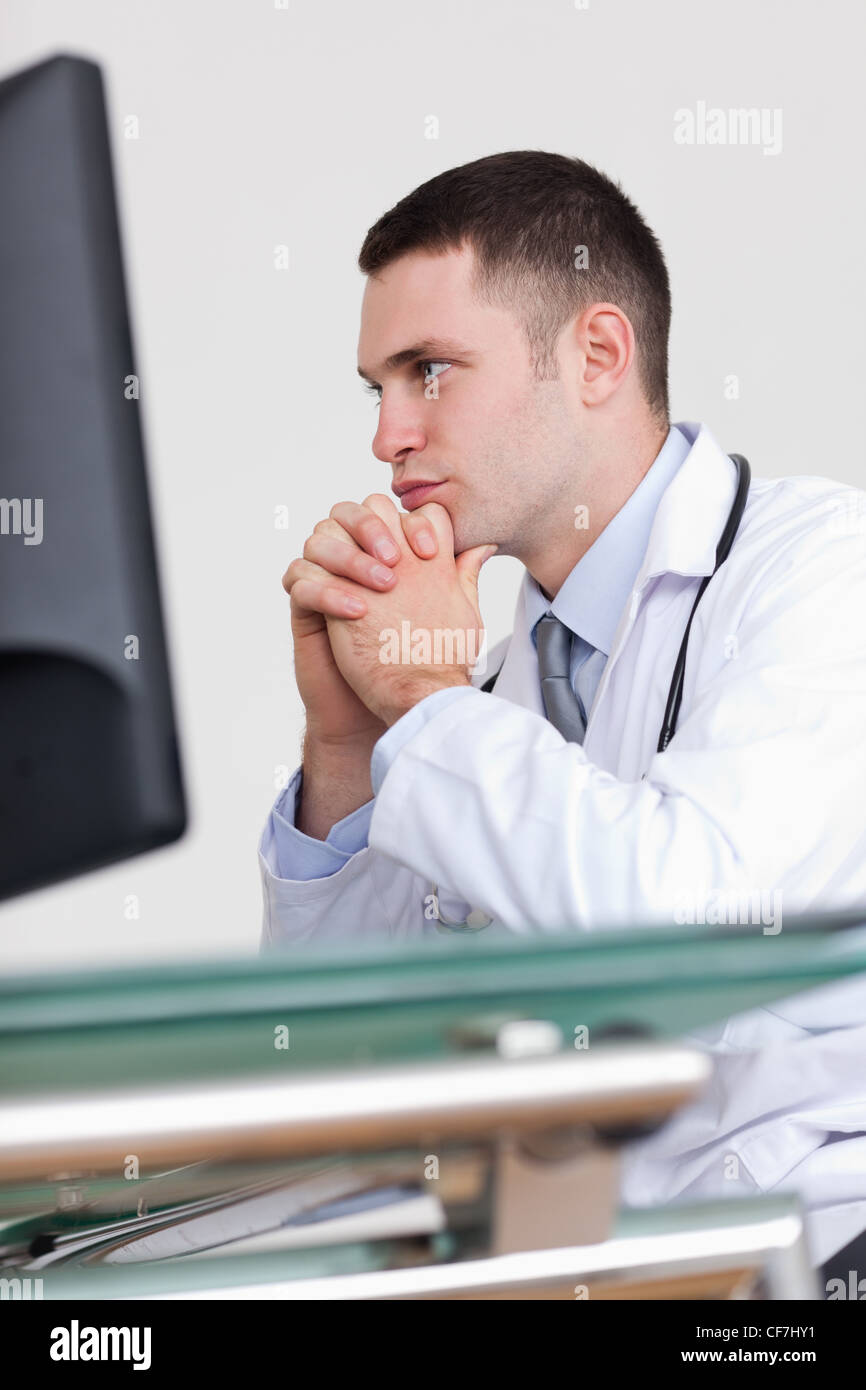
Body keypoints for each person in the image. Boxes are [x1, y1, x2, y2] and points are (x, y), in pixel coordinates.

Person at [258, 151, 866, 1288]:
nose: (386, 435)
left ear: (594, 355)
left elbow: (691, 921)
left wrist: (420, 706)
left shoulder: (820, 571)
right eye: (374, 387)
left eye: (427, 371)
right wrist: (347, 746)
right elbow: (340, 1083)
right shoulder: (486, 701)